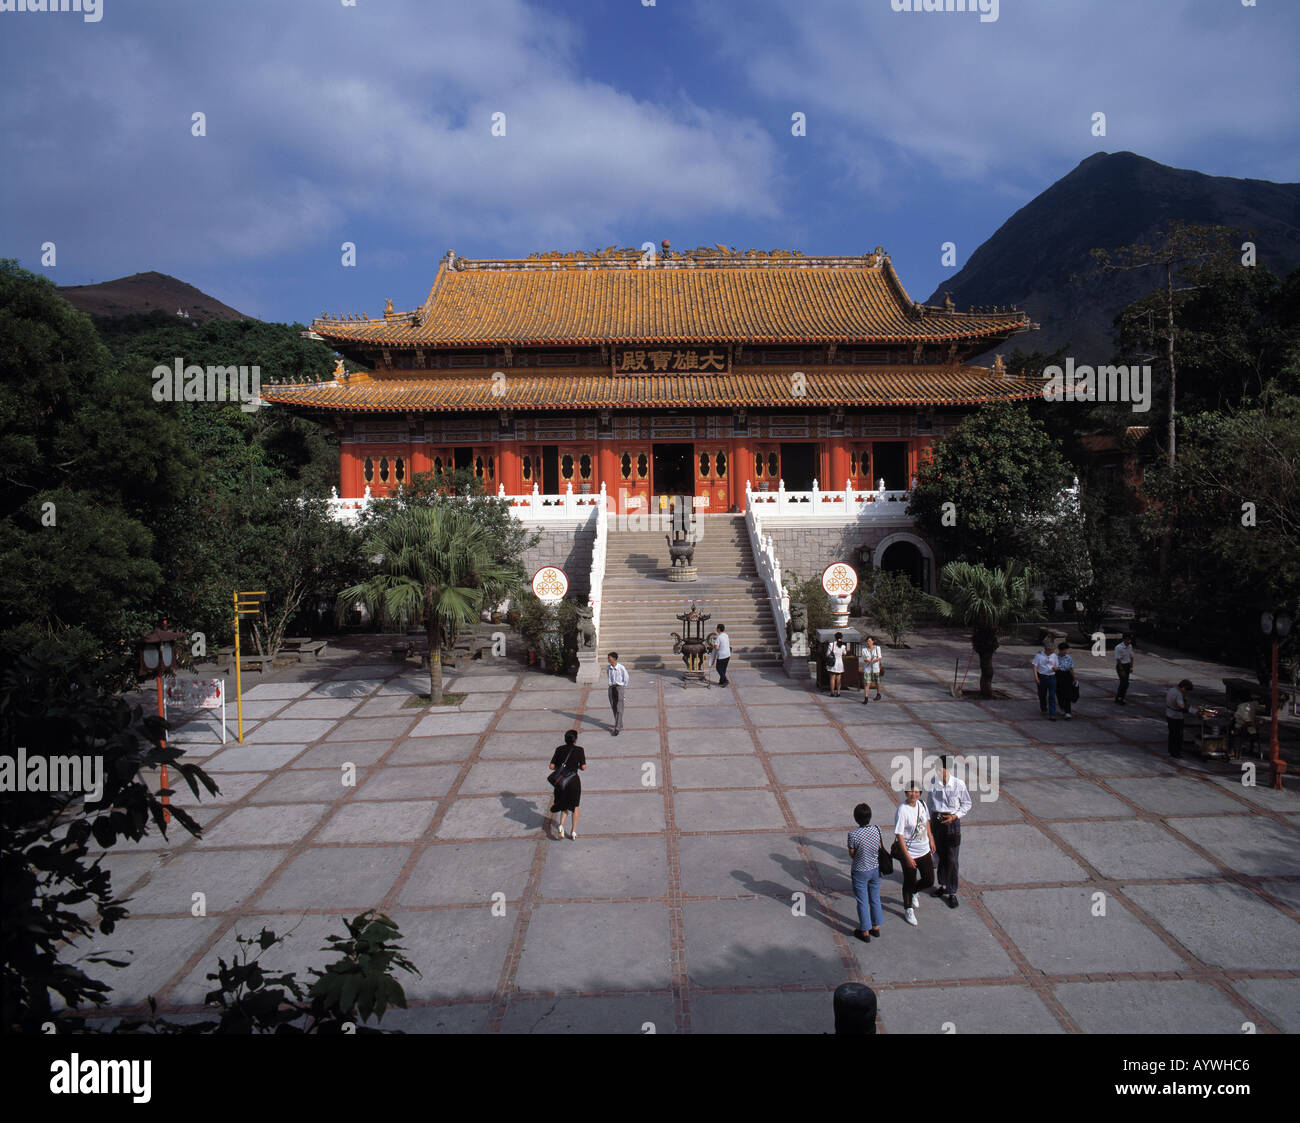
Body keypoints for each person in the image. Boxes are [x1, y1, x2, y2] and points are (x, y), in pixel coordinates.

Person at [927, 755, 971, 909]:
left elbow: (966, 804)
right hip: (937, 821)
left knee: (952, 858)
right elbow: (930, 803)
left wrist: (954, 816)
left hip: (952, 823)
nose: (939, 772)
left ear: (949, 769)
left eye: (941, 769)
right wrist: (929, 822)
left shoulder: (959, 785)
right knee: (939, 855)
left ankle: (952, 892)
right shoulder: (933, 782)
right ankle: (942, 884)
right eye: (937, 769)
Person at [893, 782, 935, 926]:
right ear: (906, 793)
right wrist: (907, 857)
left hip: (923, 850)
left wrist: (931, 839)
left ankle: (915, 891)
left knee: (929, 879)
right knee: (909, 881)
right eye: (910, 792)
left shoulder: (922, 804)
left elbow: (926, 822)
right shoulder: (902, 810)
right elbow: (899, 835)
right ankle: (908, 908)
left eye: (916, 792)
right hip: (909, 852)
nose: (914, 794)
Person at [847, 803, 884, 942]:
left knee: (862, 901)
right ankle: (875, 927)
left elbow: (852, 854)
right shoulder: (877, 829)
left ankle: (865, 931)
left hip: (860, 871)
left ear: (856, 818)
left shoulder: (853, 835)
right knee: (875, 898)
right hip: (875, 869)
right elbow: (879, 847)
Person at [548, 729, 587, 840]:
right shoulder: (579, 750)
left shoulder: (559, 749)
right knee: (575, 806)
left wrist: (560, 768)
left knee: (563, 803)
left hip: (561, 782)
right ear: (575, 740)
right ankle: (573, 831)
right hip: (573, 780)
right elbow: (584, 767)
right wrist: (576, 767)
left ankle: (561, 825)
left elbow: (551, 766)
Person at [1165, 679, 1197, 759]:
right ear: (1183, 687)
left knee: (1172, 734)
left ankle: (1171, 750)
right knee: (1177, 735)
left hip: (1169, 713)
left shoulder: (1172, 689)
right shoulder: (1179, 694)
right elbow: (1182, 706)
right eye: (1186, 690)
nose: (1186, 692)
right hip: (1176, 716)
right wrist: (1193, 711)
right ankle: (1175, 752)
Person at [1032, 640, 1059, 721]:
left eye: (1054, 649)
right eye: (1052, 650)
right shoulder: (1039, 655)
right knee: (1042, 694)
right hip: (1042, 677)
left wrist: (1056, 668)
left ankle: (1052, 714)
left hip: (1052, 677)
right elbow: (1035, 666)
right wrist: (1036, 677)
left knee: (1051, 696)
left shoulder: (1054, 656)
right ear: (1047, 649)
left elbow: (1057, 666)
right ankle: (1043, 708)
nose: (1053, 651)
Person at [606, 652, 629, 736]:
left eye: (610, 658)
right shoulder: (608, 668)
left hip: (619, 688)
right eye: (608, 658)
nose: (608, 659)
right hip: (611, 688)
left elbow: (626, 678)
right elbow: (608, 677)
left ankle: (617, 728)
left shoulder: (621, 668)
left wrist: (622, 687)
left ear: (614, 659)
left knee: (619, 708)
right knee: (614, 707)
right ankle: (619, 723)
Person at [1055, 641, 1078, 719]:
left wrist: (1074, 678)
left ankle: (1068, 712)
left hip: (1067, 676)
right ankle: (1062, 707)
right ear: (1060, 650)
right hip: (1058, 675)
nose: (1065, 652)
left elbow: (1071, 668)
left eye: (1066, 650)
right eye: (1064, 650)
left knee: (1068, 694)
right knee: (1059, 693)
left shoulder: (1068, 657)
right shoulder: (1055, 657)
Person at [861, 635, 883, 704]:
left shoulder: (877, 648)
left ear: (873, 642)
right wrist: (868, 661)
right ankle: (866, 697)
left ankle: (878, 694)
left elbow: (879, 657)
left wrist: (873, 661)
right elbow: (864, 659)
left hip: (875, 668)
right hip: (867, 669)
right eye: (867, 641)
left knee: (877, 682)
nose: (868, 643)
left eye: (869, 641)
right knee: (867, 683)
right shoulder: (864, 650)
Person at [1114, 632, 1135, 704]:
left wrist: (1131, 667)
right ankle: (1119, 698)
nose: (1129, 641)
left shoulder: (1130, 646)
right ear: (1124, 639)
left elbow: (1131, 657)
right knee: (1123, 682)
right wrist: (1121, 670)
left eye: (1130, 640)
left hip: (1127, 666)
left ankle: (1121, 697)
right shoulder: (1118, 647)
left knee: (1126, 683)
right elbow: (1118, 659)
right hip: (1121, 666)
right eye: (1127, 640)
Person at [827, 632, 849, 697]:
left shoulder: (831, 644)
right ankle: (838, 692)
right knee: (839, 678)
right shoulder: (843, 646)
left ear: (835, 637)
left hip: (833, 663)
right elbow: (845, 653)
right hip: (840, 662)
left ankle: (832, 692)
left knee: (832, 678)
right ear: (841, 638)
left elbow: (827, 654)